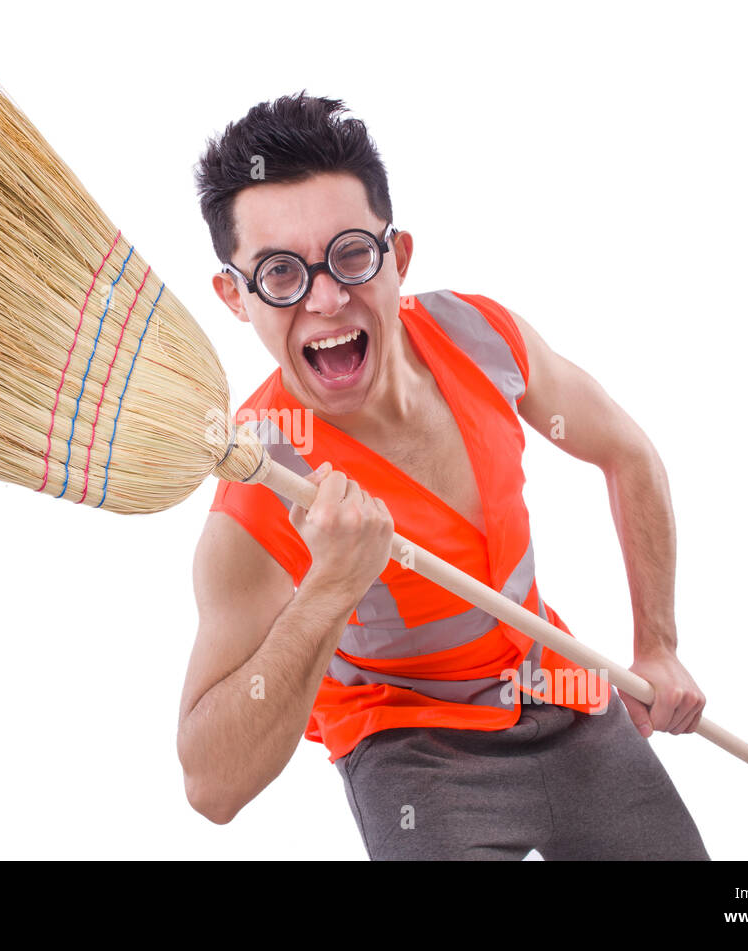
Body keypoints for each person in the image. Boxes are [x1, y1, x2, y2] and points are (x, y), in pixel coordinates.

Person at [176, 91, 710, 860]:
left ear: (398, 257)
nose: (326, 298)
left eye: (352, 254)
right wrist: (331, 584)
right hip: (412, 743)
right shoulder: (258, 484)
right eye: (281, 274)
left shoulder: (482, 336)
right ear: (235, 296)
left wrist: (655, 642)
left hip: (561, 687)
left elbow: (628, 453)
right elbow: (209, 785)